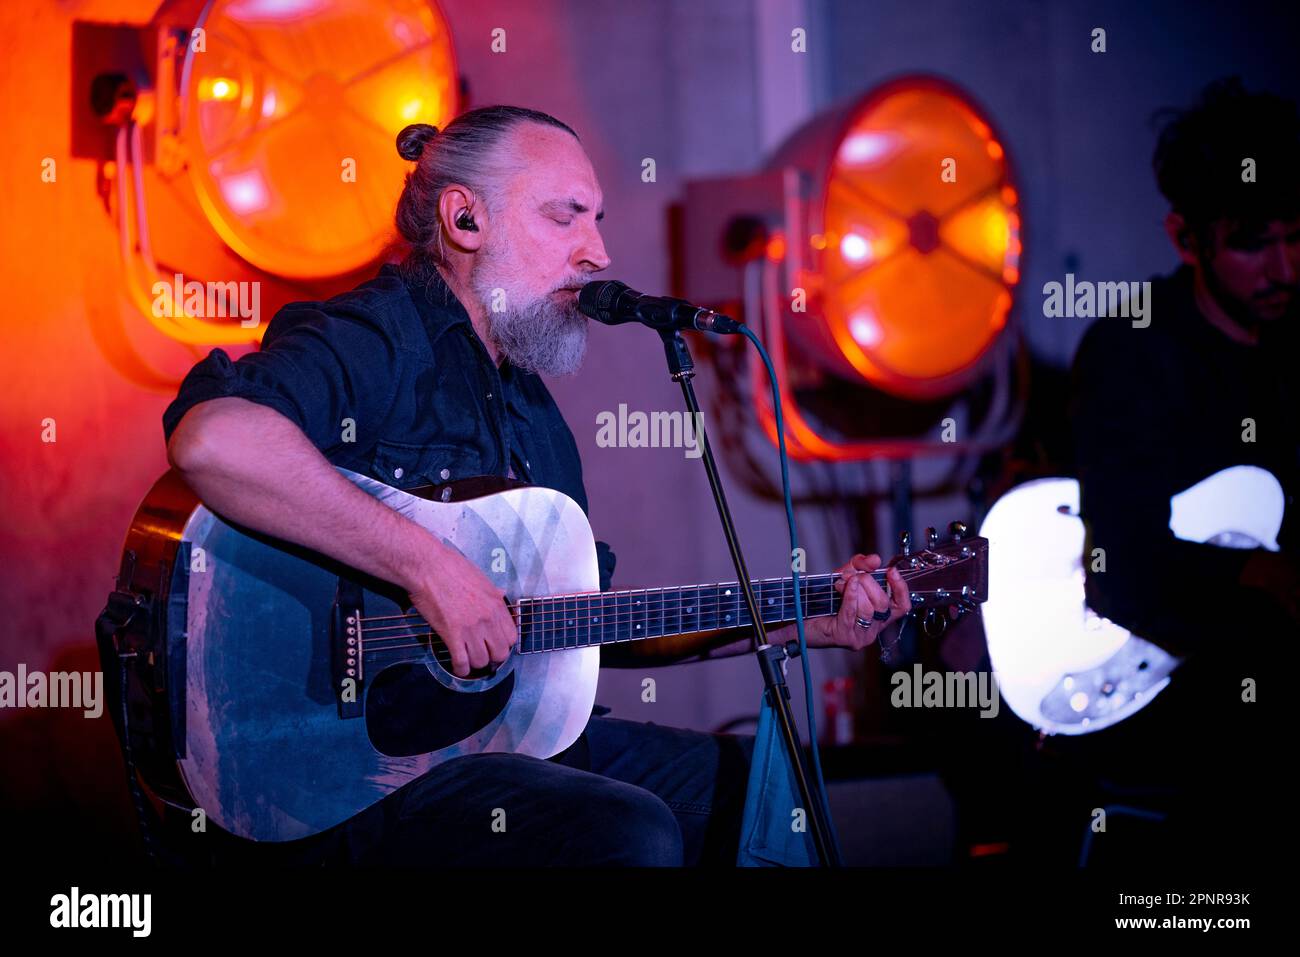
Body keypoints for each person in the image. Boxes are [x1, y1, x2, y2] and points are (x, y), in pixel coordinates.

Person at [161, 105, 912, 866]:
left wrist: (796, 619)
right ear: (464, 219)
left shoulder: (532, 410)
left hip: (488, 747)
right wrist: (429, 569)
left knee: (757, 794)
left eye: (597, 220)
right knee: (628, 832)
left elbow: (580, 625)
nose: (597, 251)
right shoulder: (377, 336)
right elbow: (213, 438)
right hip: (345, 765)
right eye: (566, 217)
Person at [1059, 78, 1299, 866]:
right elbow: (1119, 566)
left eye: (1299, 236)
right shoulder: (1134, 350)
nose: (1285, 266)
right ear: (1185, 236)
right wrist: (1254, 577)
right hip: (1178, 703)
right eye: (1254, 242)